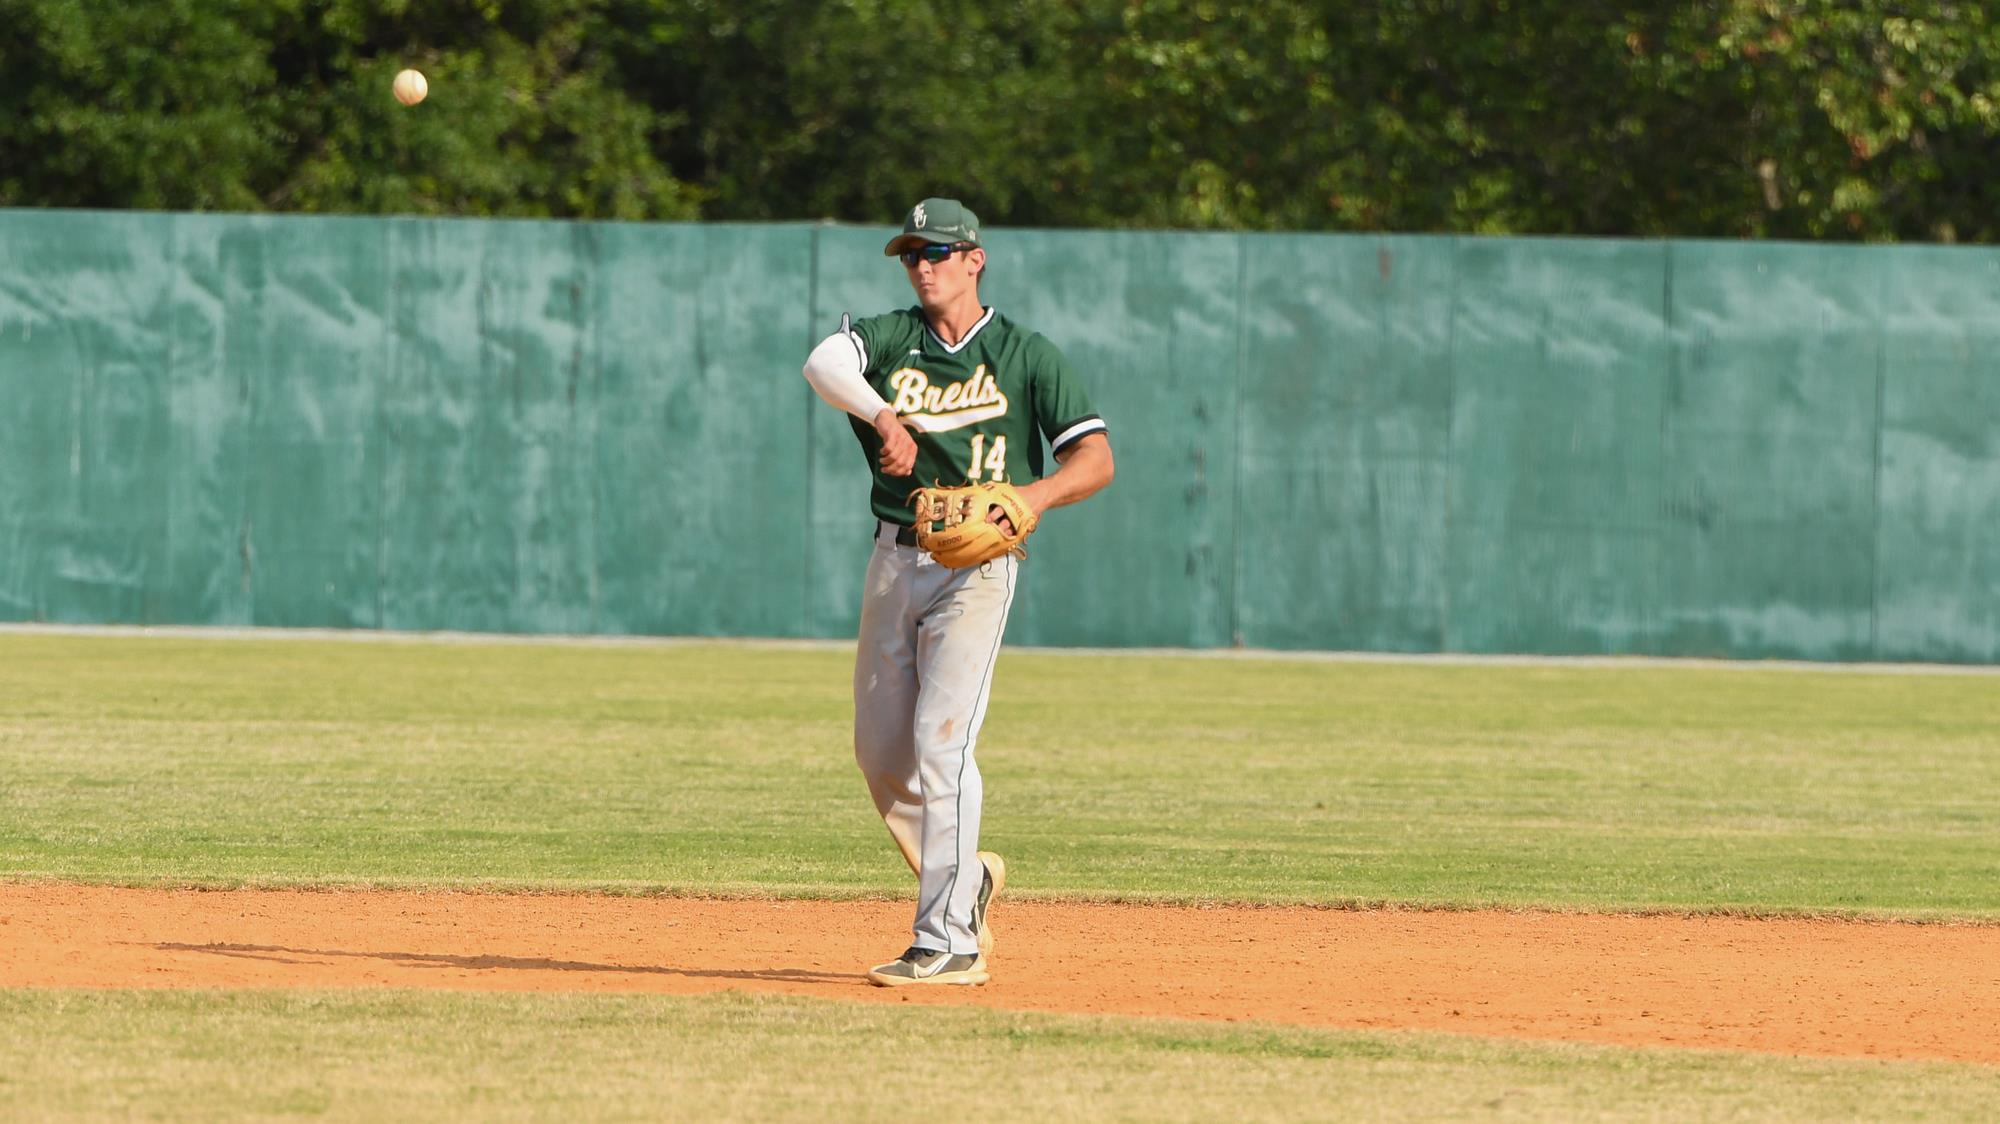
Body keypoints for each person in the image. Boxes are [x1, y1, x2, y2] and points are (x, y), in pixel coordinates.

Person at [801, 197, 1115, 986]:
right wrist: (886, 417)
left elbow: (1095, 461)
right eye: (912, 254)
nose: (923, 266)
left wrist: (1031, 499)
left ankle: (951, 941)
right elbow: (822, 363)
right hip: (893, 554)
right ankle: (966, 876)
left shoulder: (1025, 353)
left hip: (977, 569)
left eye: (938, 253)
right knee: (880, 753)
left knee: (944, 745)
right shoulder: (891, 339)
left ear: (976, 260)